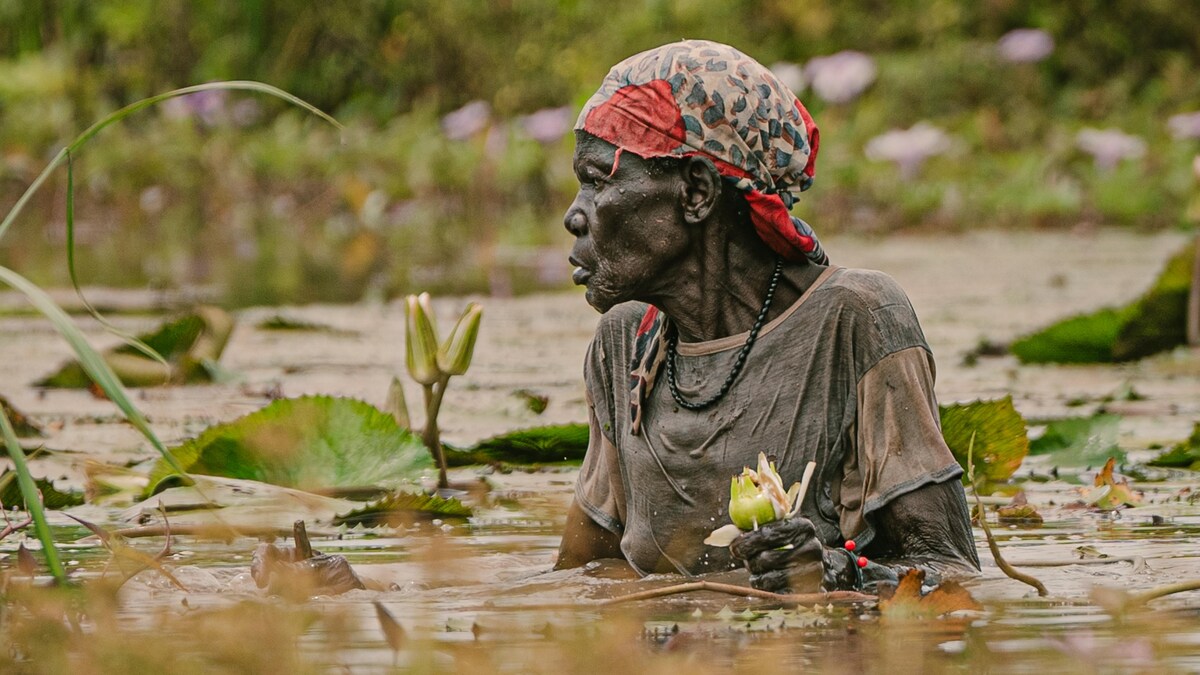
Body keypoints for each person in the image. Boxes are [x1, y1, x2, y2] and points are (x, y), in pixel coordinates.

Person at [554, 40, 979, 594]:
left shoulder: (856, 319)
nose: (574, 215)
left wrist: (841, 574)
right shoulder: (624, 342)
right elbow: (582, 575)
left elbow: (955, 576)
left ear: (697, 193)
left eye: (599, 179)